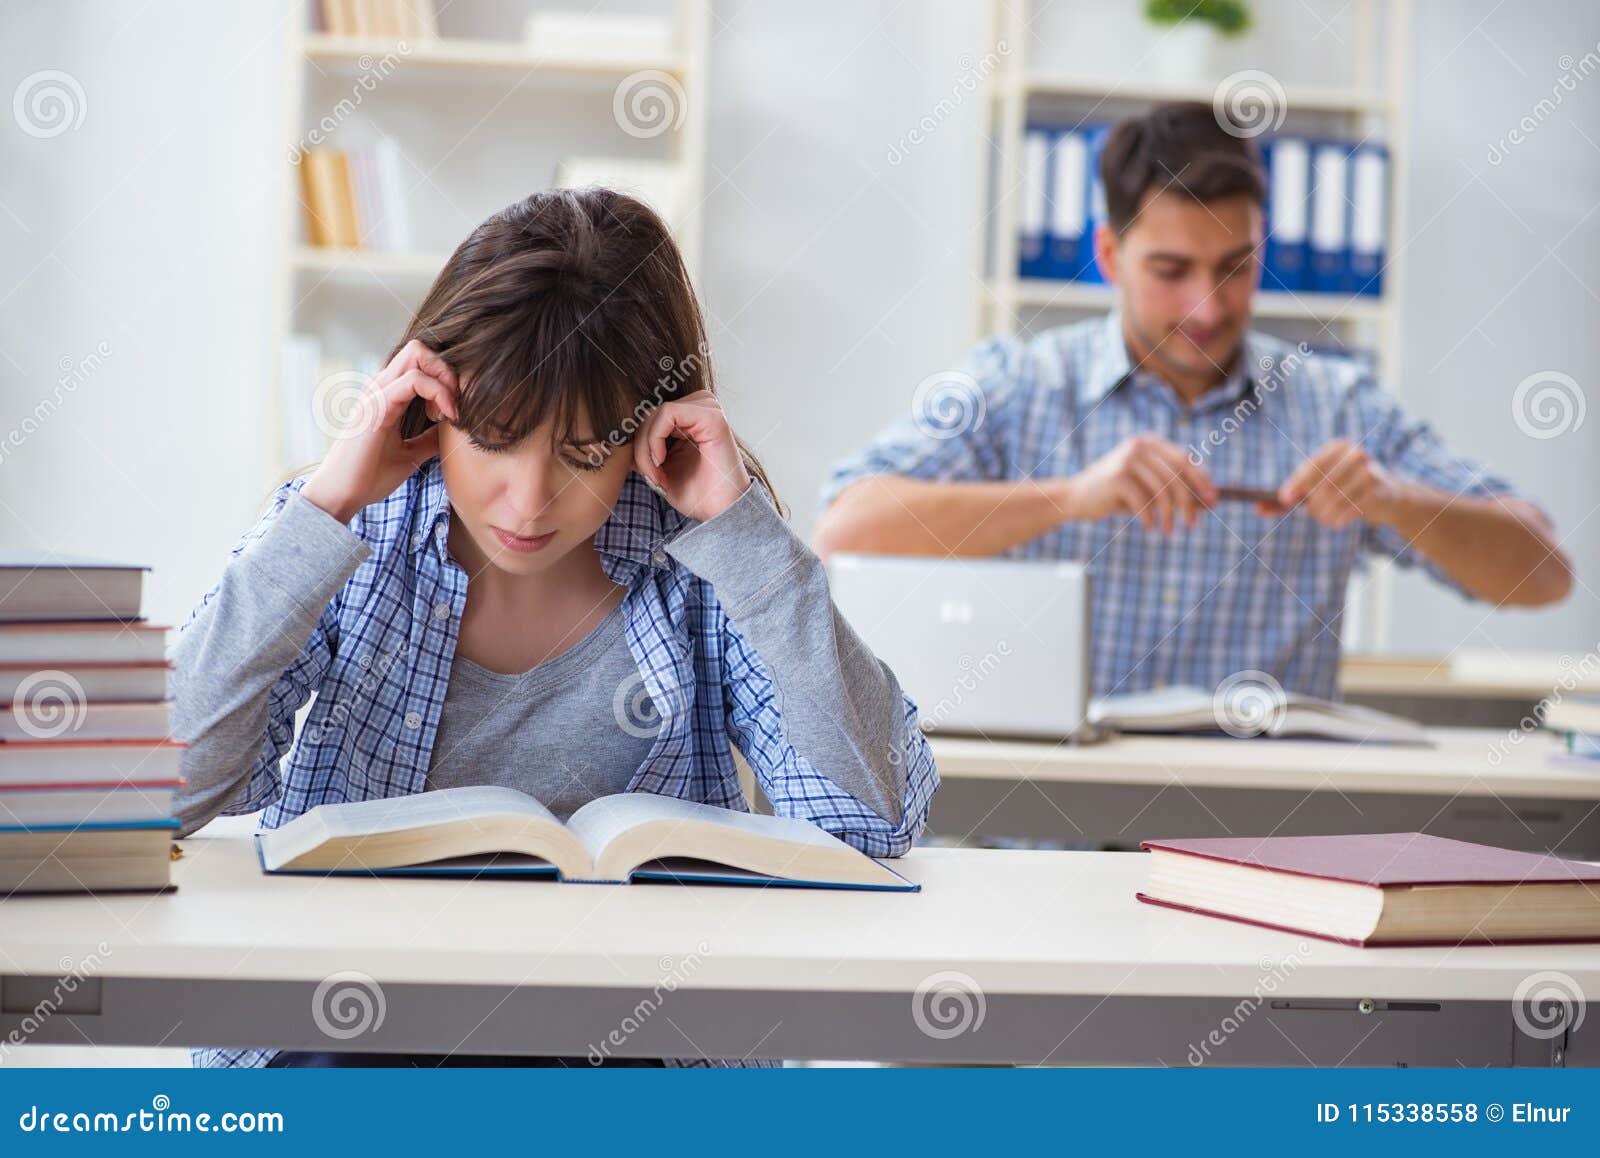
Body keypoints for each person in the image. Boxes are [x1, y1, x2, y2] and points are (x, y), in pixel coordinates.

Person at [171, 188, 938, 1069]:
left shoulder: (703, 560)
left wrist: (748, 537)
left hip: (627, 1050)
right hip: (360, 1030)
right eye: (495, 440)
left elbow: (871, 821)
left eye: (582, 456)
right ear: (430, 407)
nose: (530, 503)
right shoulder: (355, 532)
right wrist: (327, 504)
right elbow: (163, 789)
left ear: (650, 434)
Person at [813, 102, 1572, 702]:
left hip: (1265, 851)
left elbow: (1543, 575)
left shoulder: (1342, 405)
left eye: (1234, 268)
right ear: (1110, 255)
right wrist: (1070, 498)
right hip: (1049, 833)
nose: (1207, 307)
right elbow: (846, 528)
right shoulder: (1020, 383)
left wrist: (1398, 500)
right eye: (1171, 270)